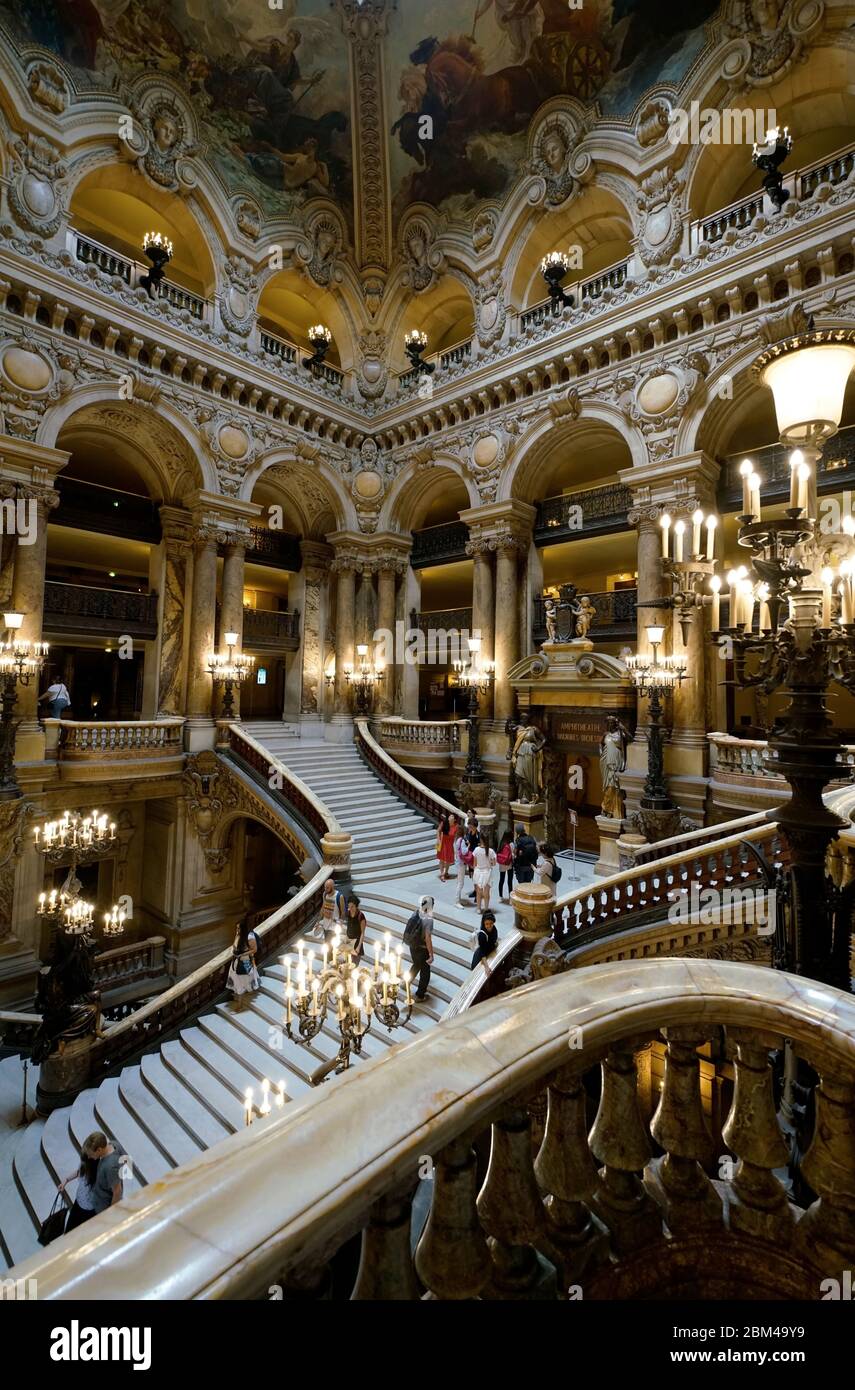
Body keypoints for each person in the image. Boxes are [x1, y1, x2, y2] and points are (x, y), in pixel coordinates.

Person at [59, 1131, 124, 1231]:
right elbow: (80, 1171)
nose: (88, 1156)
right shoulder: (90, 1161)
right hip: (79, 1203)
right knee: (70, 1230)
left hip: (90, 1208)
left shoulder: (104, 1168)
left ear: (97, 1152)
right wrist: (66, 1180)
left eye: (90, 1155)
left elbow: (117, 1191)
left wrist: (111, 1212)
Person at [404, 894, 434, 1001]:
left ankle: (406, 982)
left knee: (416, 964)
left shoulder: (416, 912)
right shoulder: (428, 919)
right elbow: (428, 938)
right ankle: (420, 995)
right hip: (421, 948)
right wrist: (431, 954)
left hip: (412, 946)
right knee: (425, 972)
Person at [226, 917, 260, 1012]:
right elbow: (234, 946)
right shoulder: (238, 935)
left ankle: (240, 1005)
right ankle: (240, 1001)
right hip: (236, 962)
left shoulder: (250, 936)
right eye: (236, 928)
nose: (237, 930)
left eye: (239, 928)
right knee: (238, 982)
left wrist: (242, 954)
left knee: (243, 980)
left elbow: (254, 949)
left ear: (243, 928)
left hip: (244, 961)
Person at [472, 832, 497, 913]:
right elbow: (494, 864)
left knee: (478, 892)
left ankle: (478, 908)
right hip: (487, 873)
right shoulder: (491, 851)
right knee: (486, 893)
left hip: (478, 872)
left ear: (481, 839)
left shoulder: (476, 850)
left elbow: (474, 864)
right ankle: (486, 908)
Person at [471, 908, 499, 974]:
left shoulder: (494, 930)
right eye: (487, 924)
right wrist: (486, 967)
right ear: (484, 924)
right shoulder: (482, 935)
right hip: (480, 956)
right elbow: (482, 953)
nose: (489, 926)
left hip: (489, 951)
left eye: (491, 923)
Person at [453, 823, 472, 906]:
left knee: (458, 881)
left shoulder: (456, 839)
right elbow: (464, 852)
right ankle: (457, 901)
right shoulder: (462, 840)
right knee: (461, 883)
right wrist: (468, 846)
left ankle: (459, 899)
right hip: (461, 863)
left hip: (457, 862)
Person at [344, 894, 367, 959]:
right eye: (349, 906)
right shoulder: (348, 913)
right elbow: (349, 927)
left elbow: (362, 933)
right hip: (349, 942)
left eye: (352, 907)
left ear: (356, 906)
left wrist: (359, 947)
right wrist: (346, 938)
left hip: (357, 943)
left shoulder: (361, 916)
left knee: (354, 963)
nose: (350, 909)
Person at [436, 812, 456, 882]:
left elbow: (456, 836)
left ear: (454, 819)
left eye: (452, 816)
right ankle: (442, 874)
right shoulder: (444, 823)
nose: (450, 817)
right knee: (442, 859)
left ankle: (446, 872)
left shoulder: (456, 826)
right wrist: (438, 839)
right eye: (450, 816)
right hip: (443, 843)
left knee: (448, 860)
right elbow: (438, 831)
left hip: (450, 844)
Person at [497, 830, 514, 903]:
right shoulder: (511, 844)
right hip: (509, 864)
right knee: (509, 881)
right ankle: (510, 899)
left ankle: (500, 897)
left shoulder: (501, 843)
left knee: (501, 880)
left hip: (502, 864)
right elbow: (513, 855)